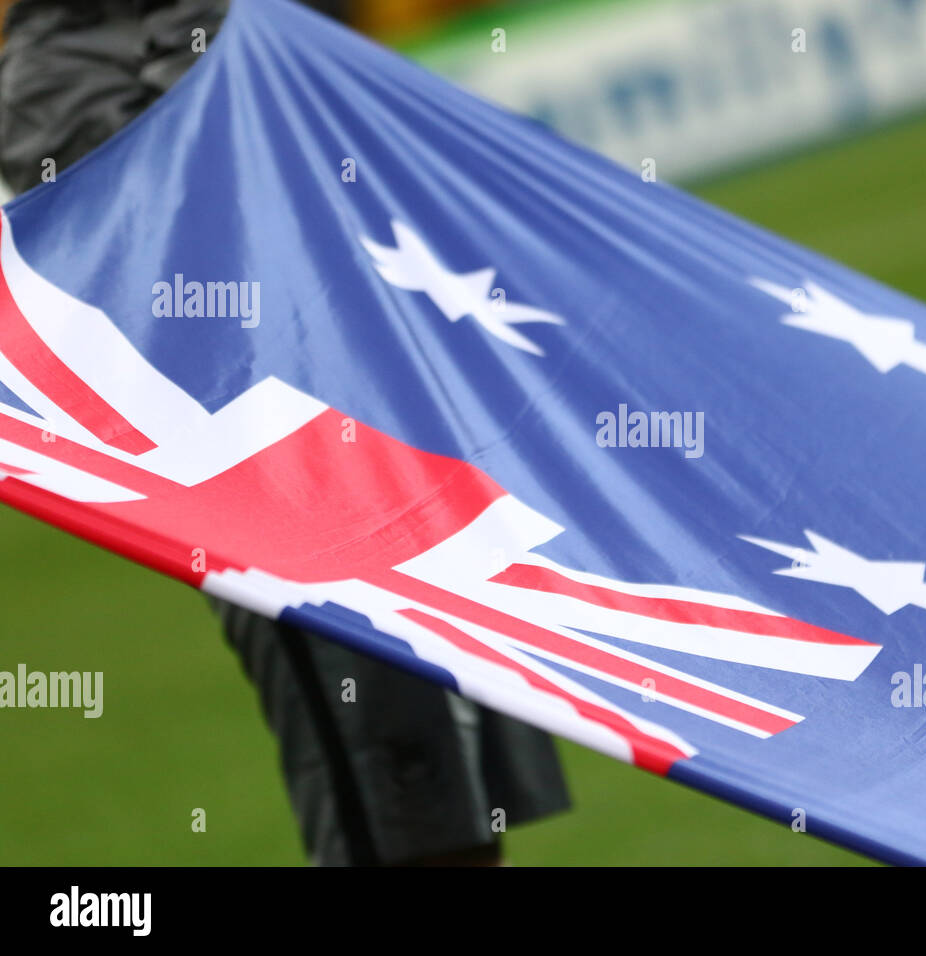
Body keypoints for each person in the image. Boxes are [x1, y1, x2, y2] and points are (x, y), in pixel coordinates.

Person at [0, 0, 570, 865]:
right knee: (397, 800)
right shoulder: (64, 74)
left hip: (381, 444)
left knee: (451, 789)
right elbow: (162, 261)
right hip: (283, 487)